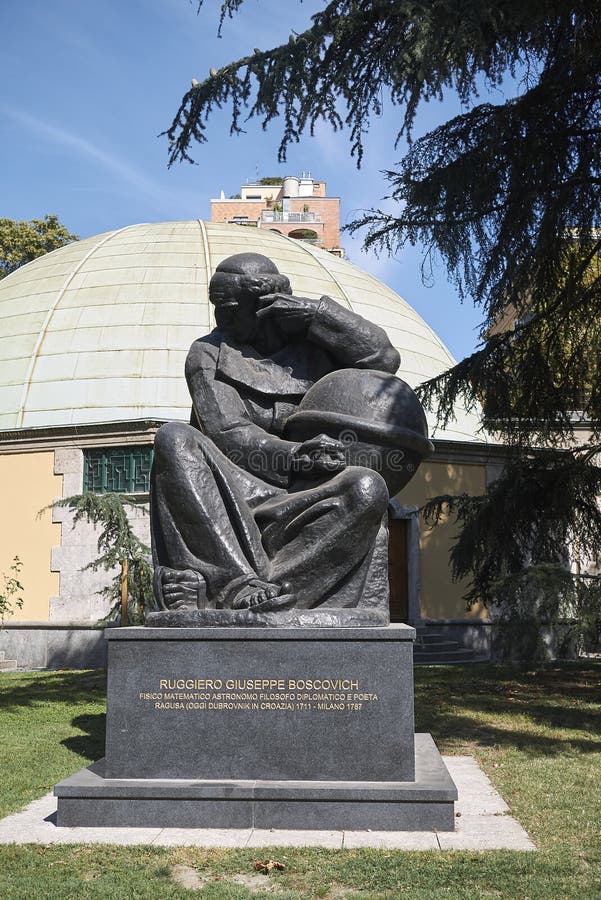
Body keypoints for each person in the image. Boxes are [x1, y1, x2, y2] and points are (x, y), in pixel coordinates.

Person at [150, 252, 401, 615]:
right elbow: (228, 432)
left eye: (230, 308)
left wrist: (319, 315)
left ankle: (286, 589)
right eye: (217, 307)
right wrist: (296, 456)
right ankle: (238, 584)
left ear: (264, 305)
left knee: (367, 486)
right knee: (174, 438)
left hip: (307, 490)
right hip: (234, 486)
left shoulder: (320, 346)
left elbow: (383, 360)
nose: (221, 317)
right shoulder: (207, 353)